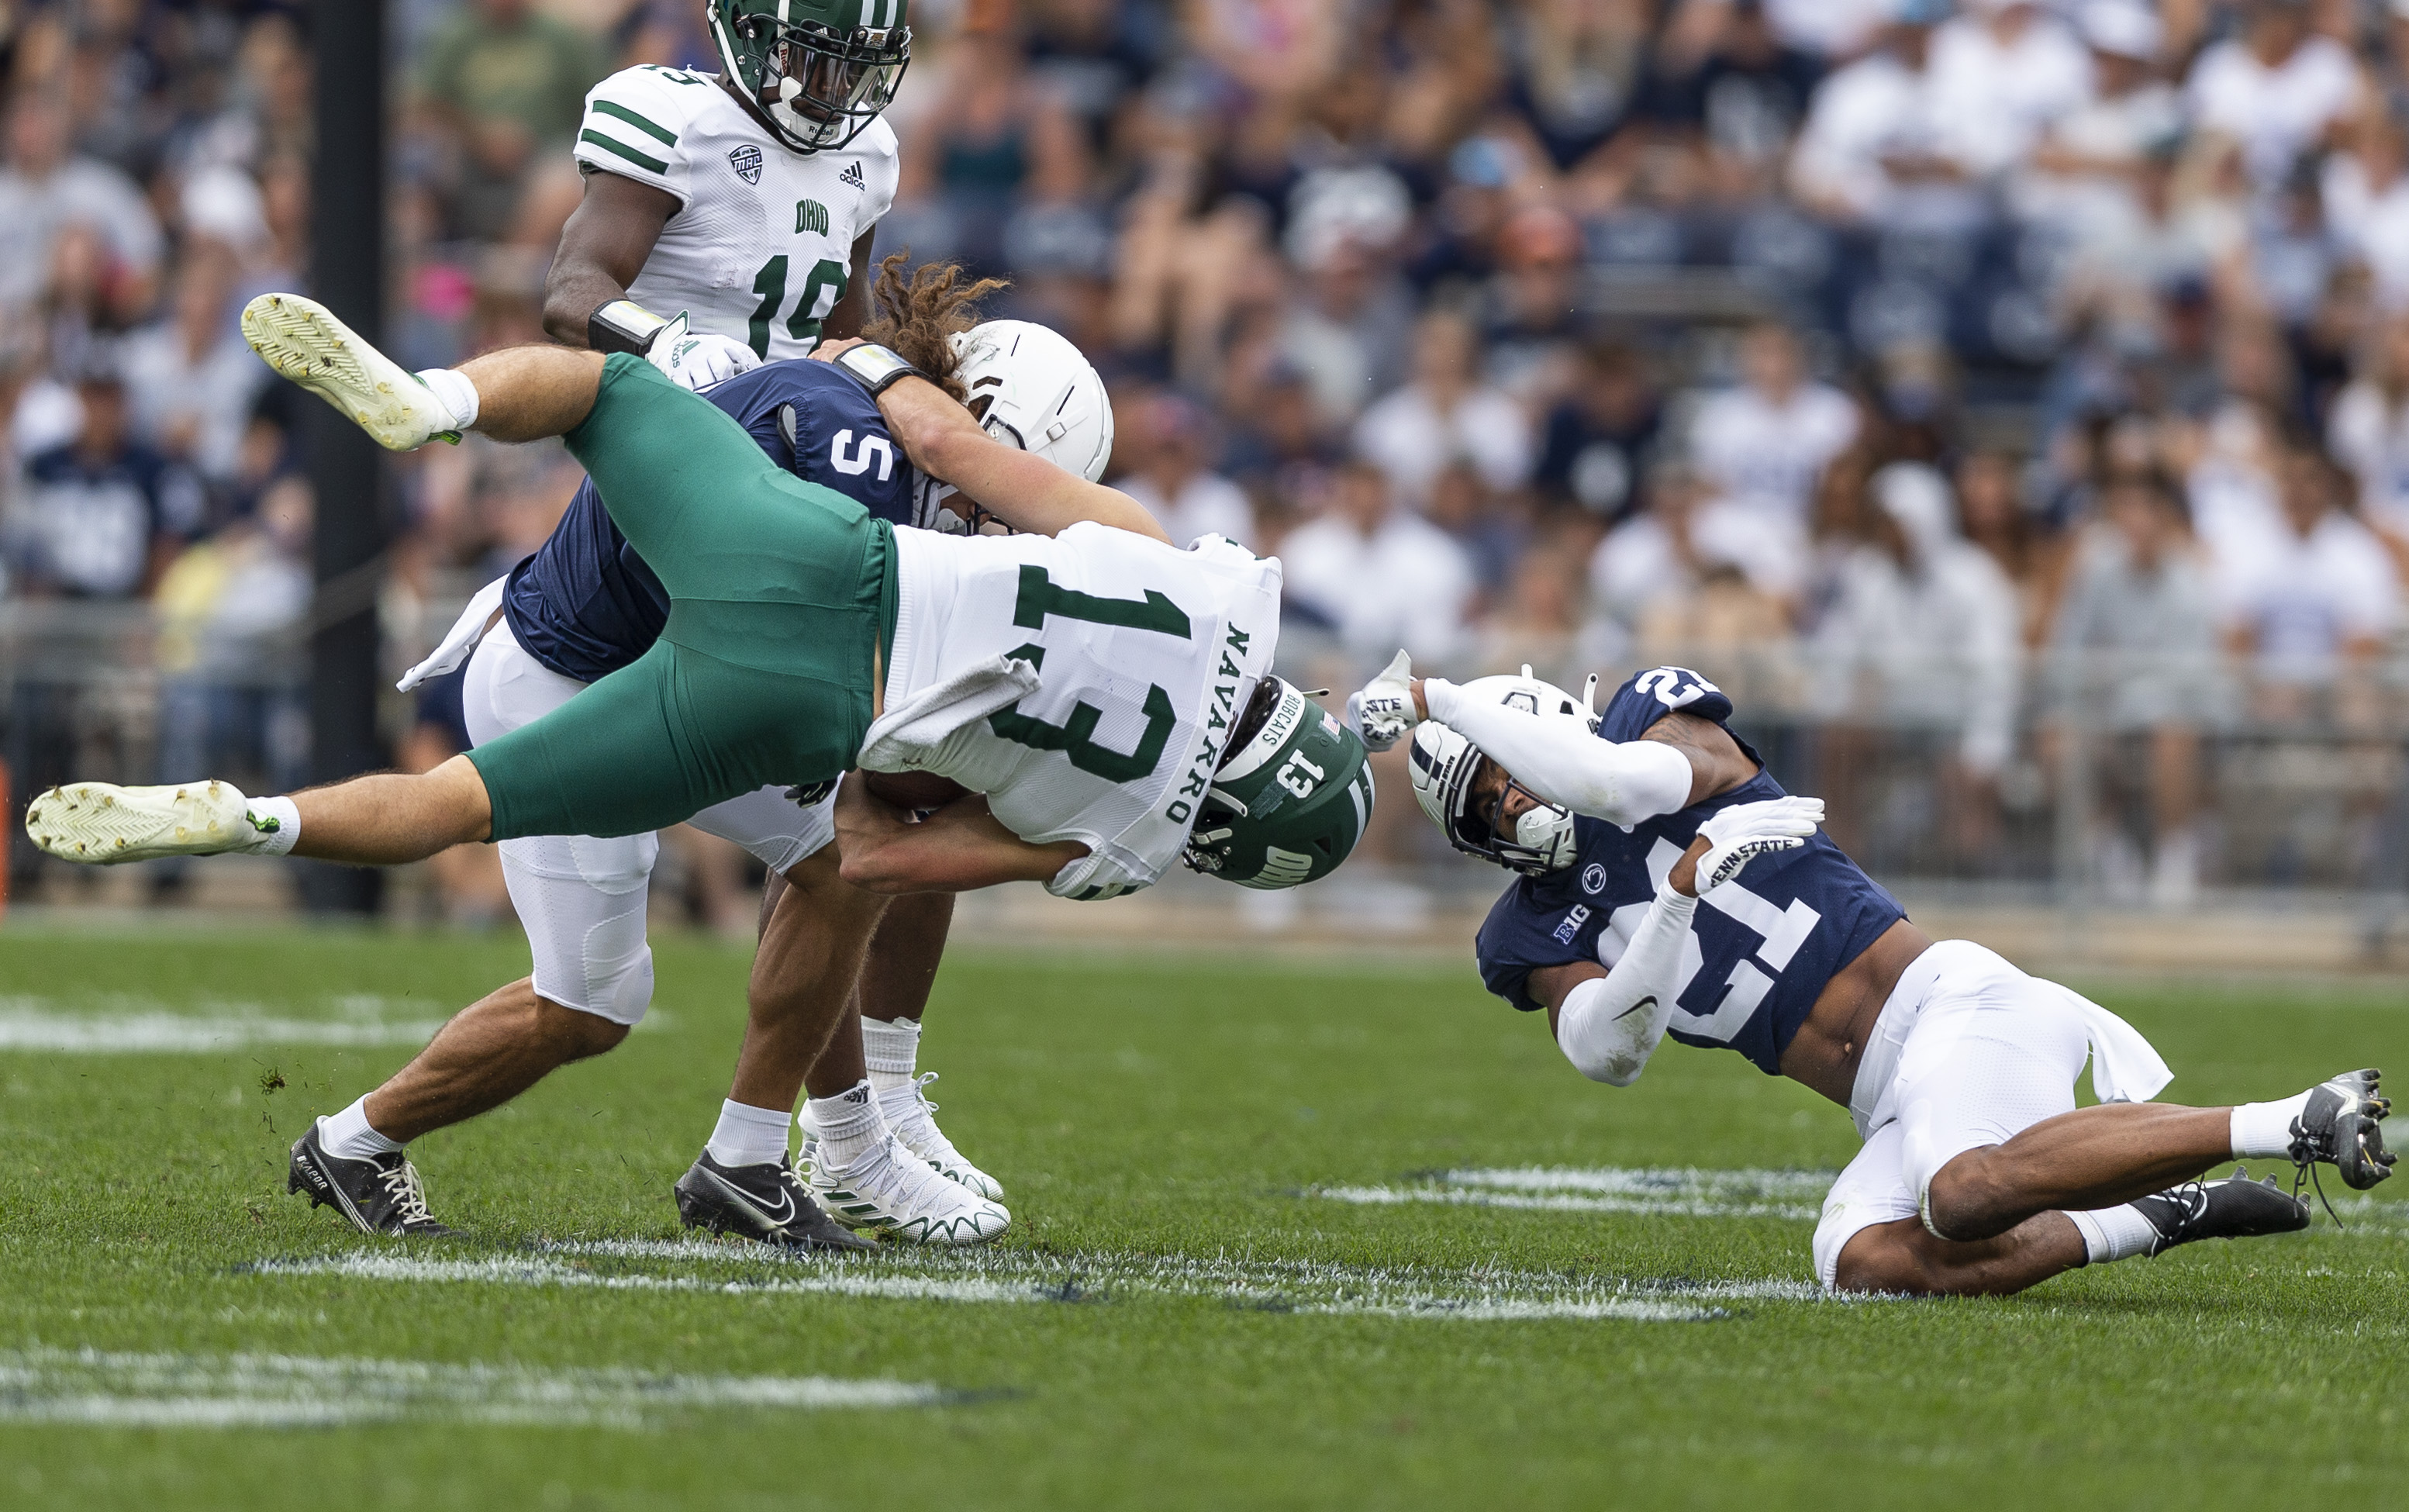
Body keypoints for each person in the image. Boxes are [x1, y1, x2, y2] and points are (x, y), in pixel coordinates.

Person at [28, 294, 1375, 1208]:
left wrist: (835, 371)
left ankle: (430, 403)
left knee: (601, 392)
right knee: (610, 988)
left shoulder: (1191, 572)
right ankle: (752, 1148)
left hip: (732, 597)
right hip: (641, 673)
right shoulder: (1131, 824)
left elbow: (884, 438)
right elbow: (887, 830)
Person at [296, 261, 1059, 1248]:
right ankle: (353, 1141)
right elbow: (785, 626)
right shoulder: (854, 450)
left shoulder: (866, 433)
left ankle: (764, 1156)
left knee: (845, 855)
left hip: (662, 663)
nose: (1000, 518)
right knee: (590, 1006)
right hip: (573, 677)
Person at [1343, 654, 2390, 1296]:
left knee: (1962, 1192)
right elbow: (1607, 1051)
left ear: (1543, 727)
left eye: (1508, 772)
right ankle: (2156, 1214)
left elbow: (1610, 782)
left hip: (1950, 1003)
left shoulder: (1650, 726)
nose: (1512, 803)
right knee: (1861, 1260)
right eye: (1483, 806)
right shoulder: (1529, 928)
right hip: (1883, 1094)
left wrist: (1435, 695)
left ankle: (2293, 1116)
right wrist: (1676, 898)